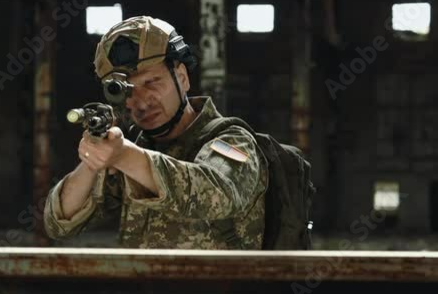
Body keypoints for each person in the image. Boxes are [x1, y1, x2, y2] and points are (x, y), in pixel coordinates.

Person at [42, 16, 268, 250]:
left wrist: (125, 156)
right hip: (143, 284)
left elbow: (219, 195)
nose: (141, 102)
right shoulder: (136, 151)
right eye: (126, 90)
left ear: (182, 77)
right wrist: (92, 162)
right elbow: (59, 224)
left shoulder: (230, 141)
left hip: (218, 285)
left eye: (151, 82)